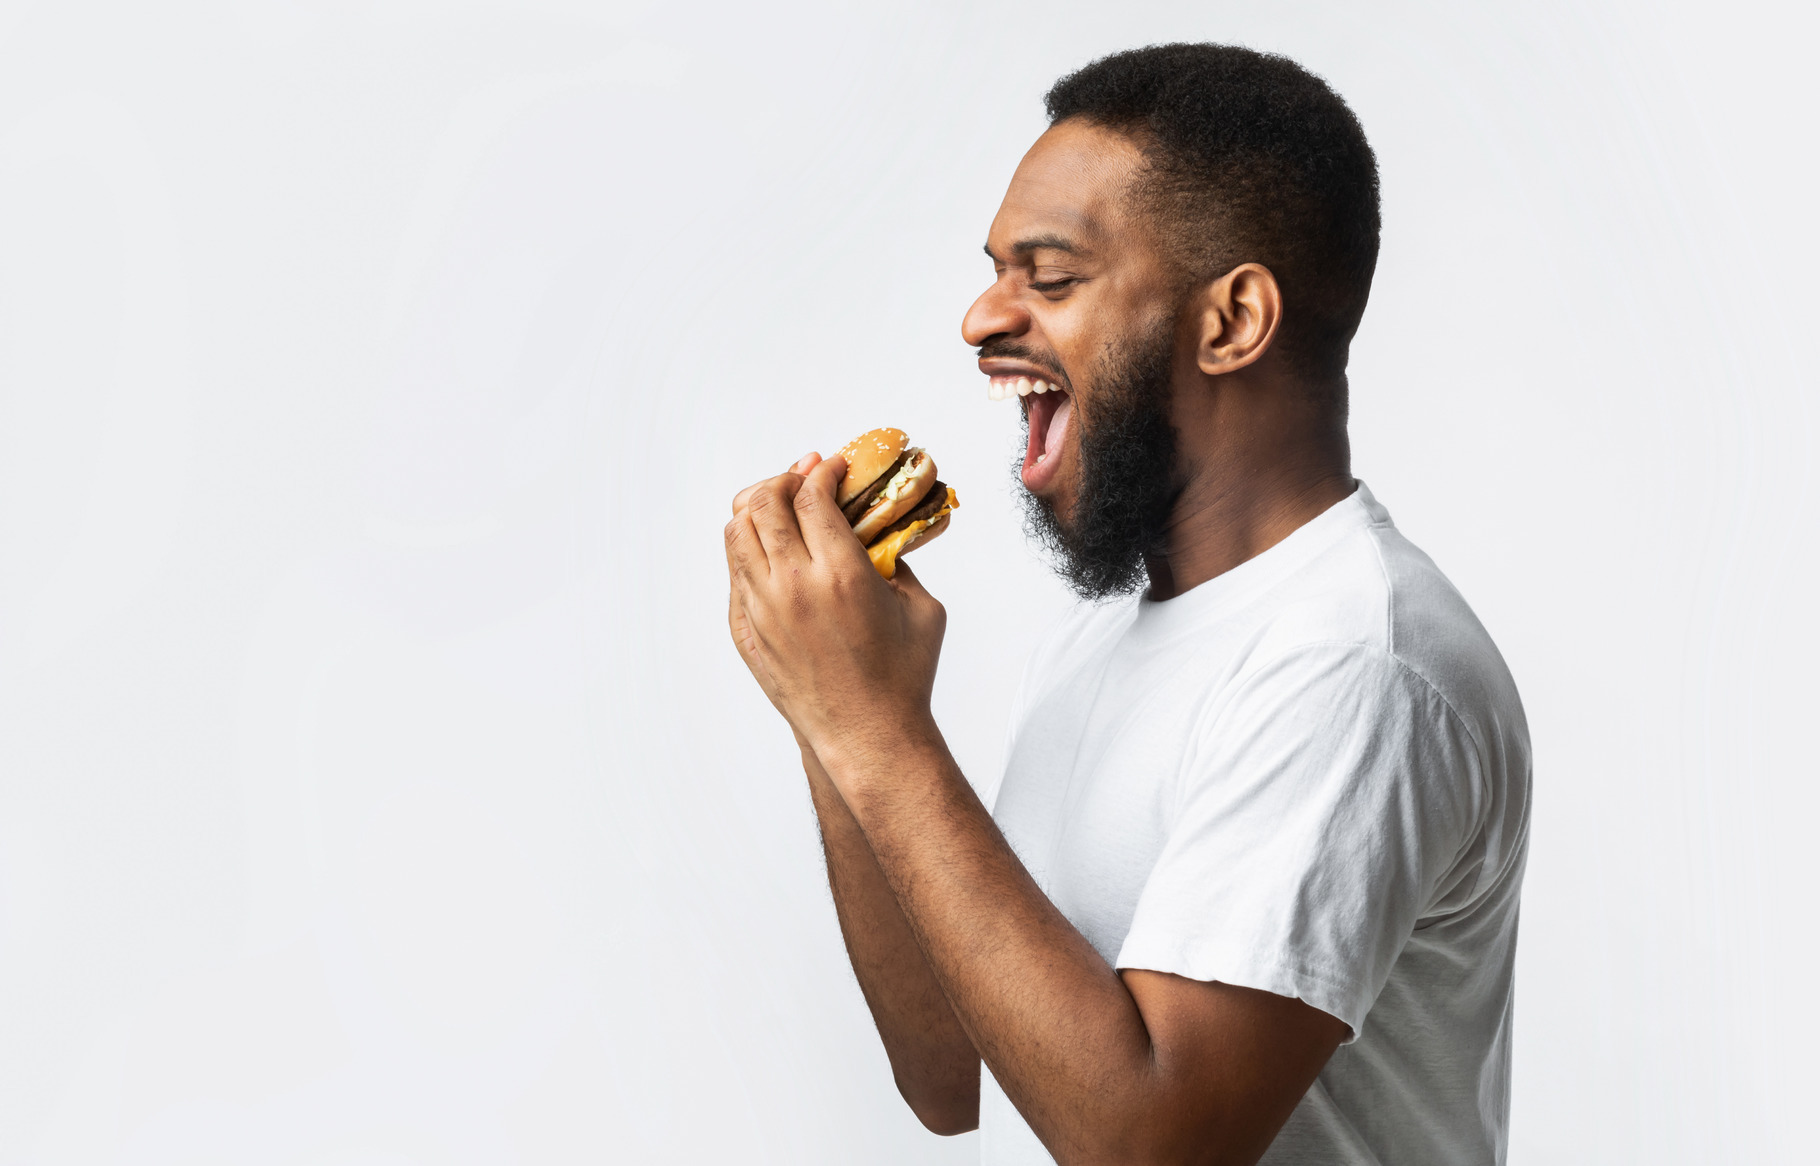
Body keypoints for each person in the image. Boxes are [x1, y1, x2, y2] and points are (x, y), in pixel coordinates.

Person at [724, 42, 1530, 1166]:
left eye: (1047, 278)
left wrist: (877, 729)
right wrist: (835, 715)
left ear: (1230, 320)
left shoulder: (1351, 658)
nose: (977, 318)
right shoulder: (1100, 643)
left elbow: (1149, 1146)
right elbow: (952, 1071)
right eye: (995, 270)